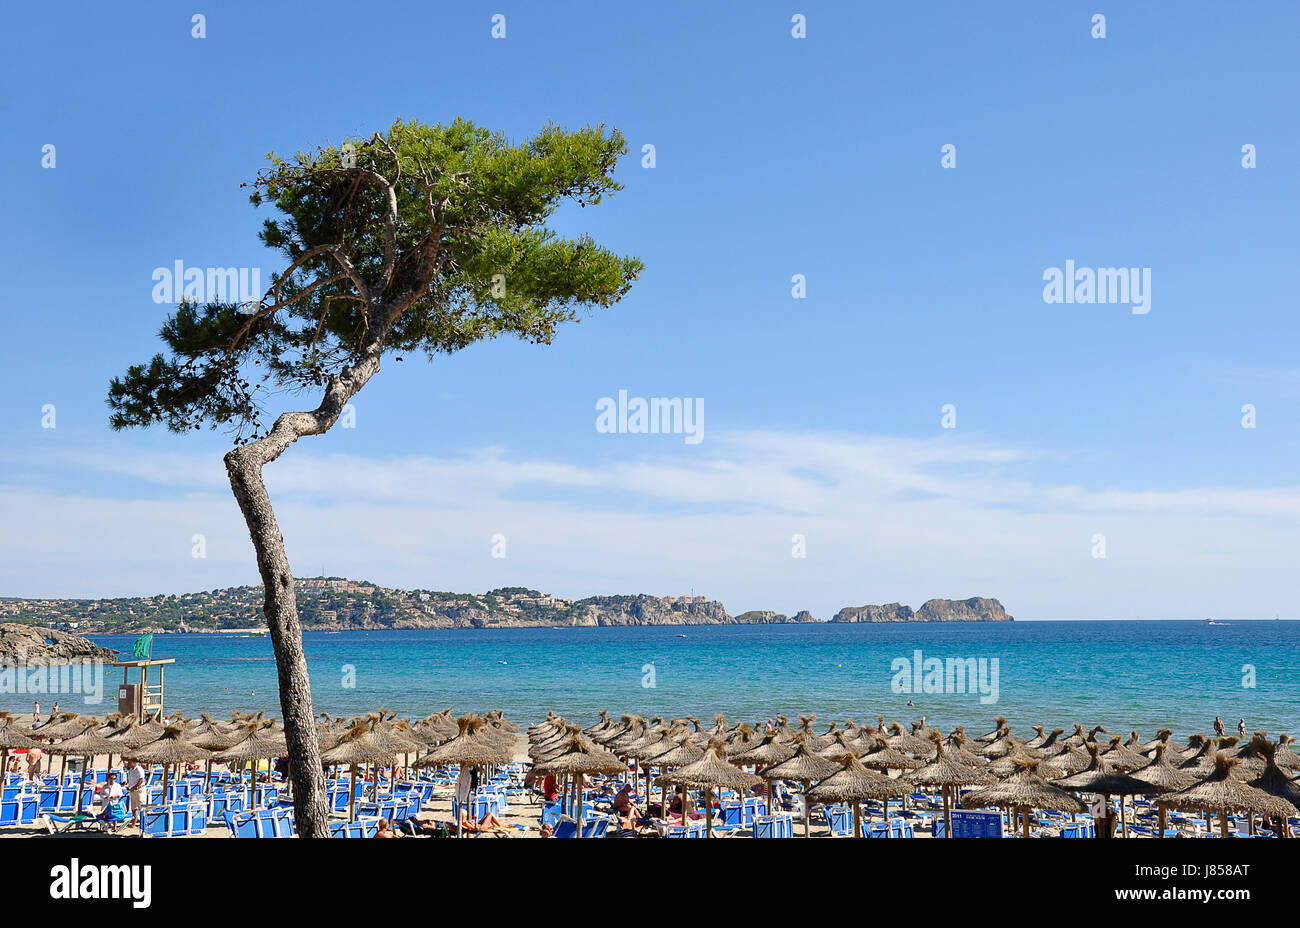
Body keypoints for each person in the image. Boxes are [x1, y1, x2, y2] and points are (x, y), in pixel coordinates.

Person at [123, 759, 148, 828]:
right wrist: (129, 785)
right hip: (132, 790)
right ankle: (134, 823)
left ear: (133, 763)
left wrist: (134, 787)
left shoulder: (139, 769)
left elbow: (141, 779)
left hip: (139, 790)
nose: (128, 764)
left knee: (142, 806)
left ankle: (144, 823)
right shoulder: (131, 770)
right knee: (133, 808)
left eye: (129, 763)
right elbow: (132, 780)